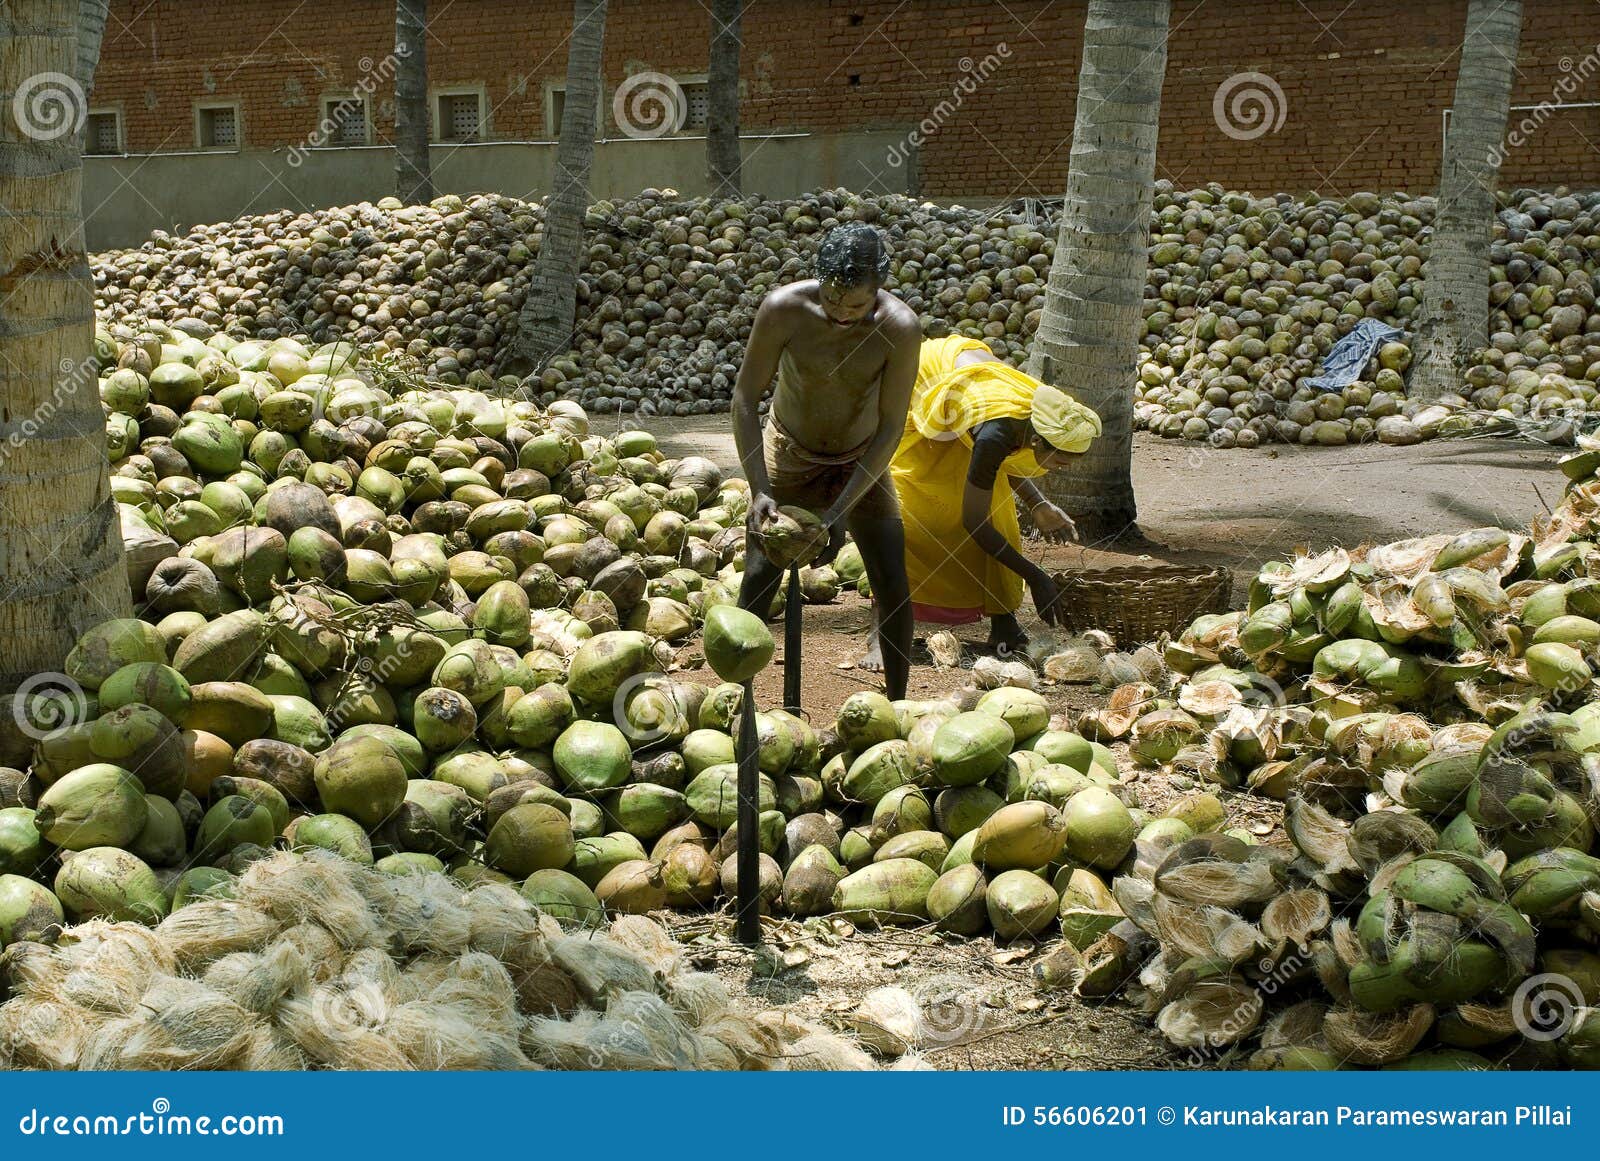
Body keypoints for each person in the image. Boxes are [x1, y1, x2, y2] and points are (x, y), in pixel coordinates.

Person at [731, 222, 921, 701]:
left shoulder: (899, 328)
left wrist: (836, 514)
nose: (841, 313)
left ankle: (897, 704)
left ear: (877, 291)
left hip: (860, 459)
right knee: (758, 576)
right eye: (834, 301)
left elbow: (890, 428)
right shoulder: (784, 310)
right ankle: (738, 698)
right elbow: (744, 399)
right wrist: (759, 488)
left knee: (893, 583)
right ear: (819, 281)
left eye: (856, 305)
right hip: (790, 452)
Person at [886, 334, 1102, 656]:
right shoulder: (994, 433)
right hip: (921, 382)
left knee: (1000, 515)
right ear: (1038, 442)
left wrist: (1037, 503)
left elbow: (1001, 460)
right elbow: (975, 522)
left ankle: (1004, 621)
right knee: (914, 514)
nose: (1061, 469)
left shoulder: (1041, 413)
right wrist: (1036, 577)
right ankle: (883, 631)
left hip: (968, 390)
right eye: (1059, 461)